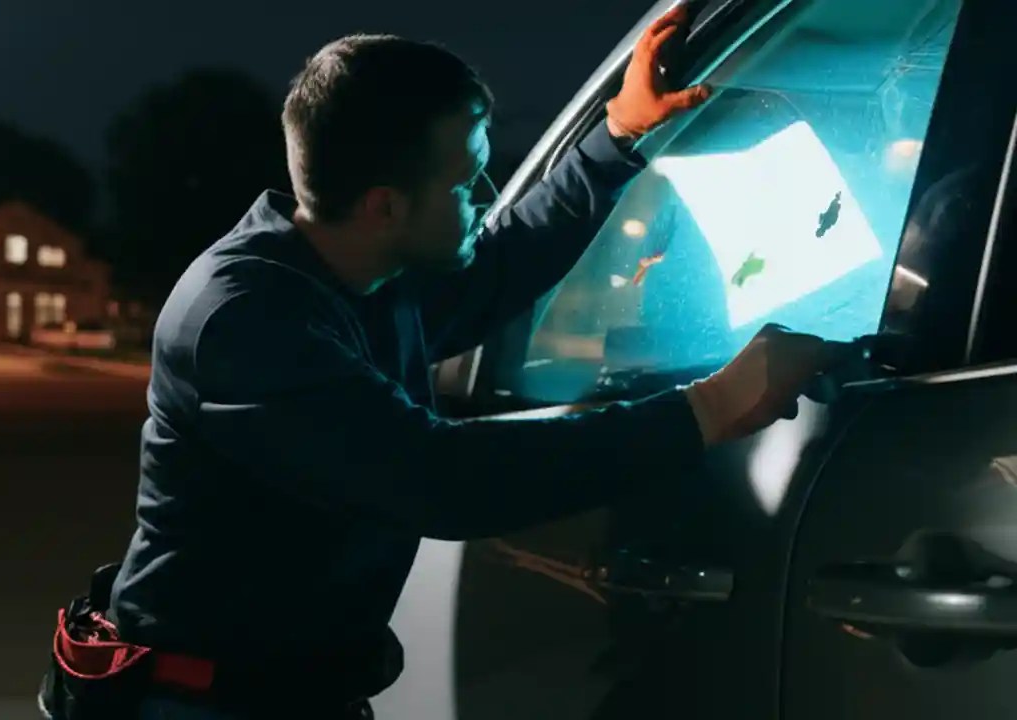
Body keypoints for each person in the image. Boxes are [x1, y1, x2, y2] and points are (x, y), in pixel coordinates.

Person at [109, 5, 843, 718]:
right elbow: (440, 479)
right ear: (384, 207)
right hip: (198, 702)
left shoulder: (361, 273)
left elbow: (498, 268)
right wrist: (708, 409)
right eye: (467, 183)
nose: (487, 196)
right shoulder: (242, 321)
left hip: (284, 693)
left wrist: (619, 132)